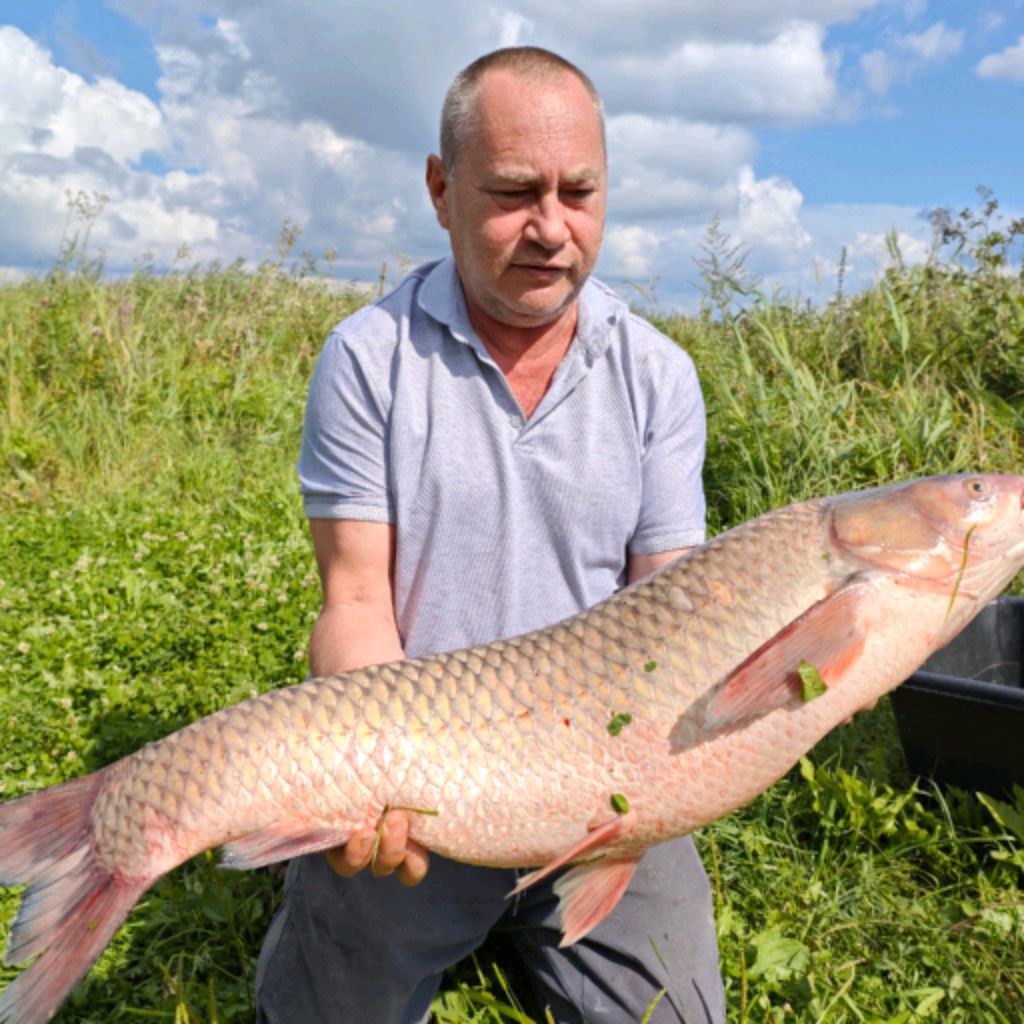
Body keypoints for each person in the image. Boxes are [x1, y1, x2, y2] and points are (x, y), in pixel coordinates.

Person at [255, 46, 725, 1024]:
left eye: (578, 192)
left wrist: (636, 798)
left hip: (607, 783)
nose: (550, 228)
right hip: (423, 773)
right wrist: (375, 778)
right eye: (513, 192)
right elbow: (352, 599)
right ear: (439, 188)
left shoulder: (658, 375)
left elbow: (676, 630)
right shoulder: (368, 359)